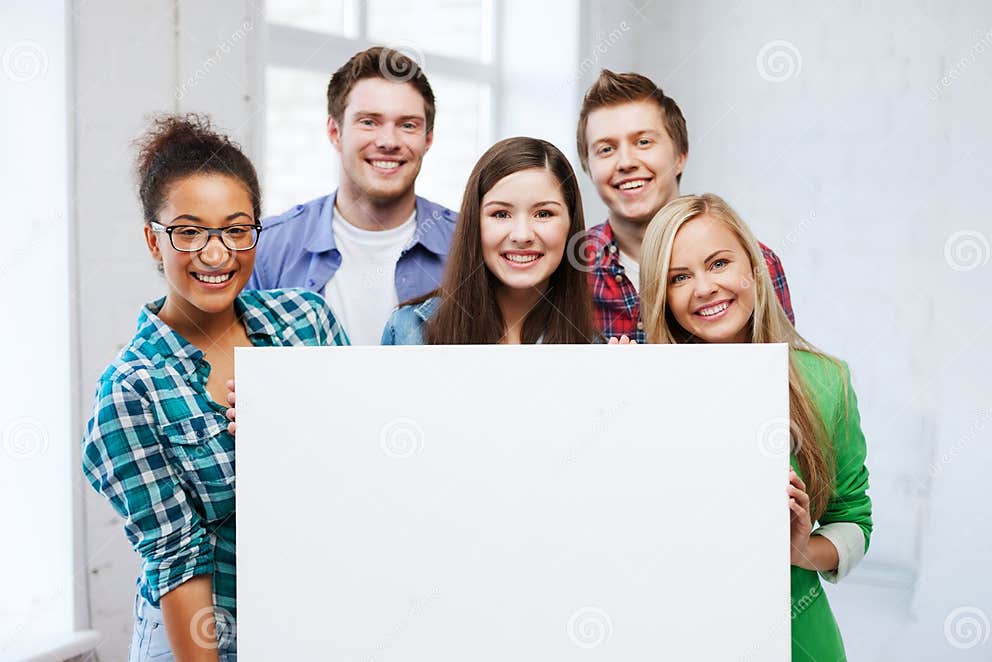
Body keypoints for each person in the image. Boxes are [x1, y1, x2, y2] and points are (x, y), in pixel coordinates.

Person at [81, 115, 348, 661]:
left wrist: (299, 430)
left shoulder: (306, 321)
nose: (216, 254)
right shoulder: (131, 391)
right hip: (204, 633)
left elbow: (364, 458)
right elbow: (179, 565)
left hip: (309, 613)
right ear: (153, 241)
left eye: (236, 229)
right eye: (189, 231)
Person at [639, 193, 872, 661]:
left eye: (719, 263)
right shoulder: (643, 391)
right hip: (674, 635)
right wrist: (614, 397)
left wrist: (802, 551)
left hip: (797, 639)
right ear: (661, 296)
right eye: (679, 277)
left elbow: (853, 518)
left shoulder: (826, 381)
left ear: (753, 266)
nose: (704, 287)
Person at [248, 46, 457, 345]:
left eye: (407, 125)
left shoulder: (469, 244)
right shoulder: (266, 248)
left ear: (428, 139)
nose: (388, 141)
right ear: (335, 132)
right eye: (369, 122)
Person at [576, 69, 795, 343]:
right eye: (606, 149)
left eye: (643, 142)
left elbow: (780, 365)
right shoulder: (571, 272)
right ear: (588, 168)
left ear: (680, 156)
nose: (626, 162)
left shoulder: (755, 265)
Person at [380, 136, 597, 345]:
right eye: (501, 214)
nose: (522, 236)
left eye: (543, 214)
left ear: (571, 223)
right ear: (474, 223)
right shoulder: (407, 330)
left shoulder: (594, 349)